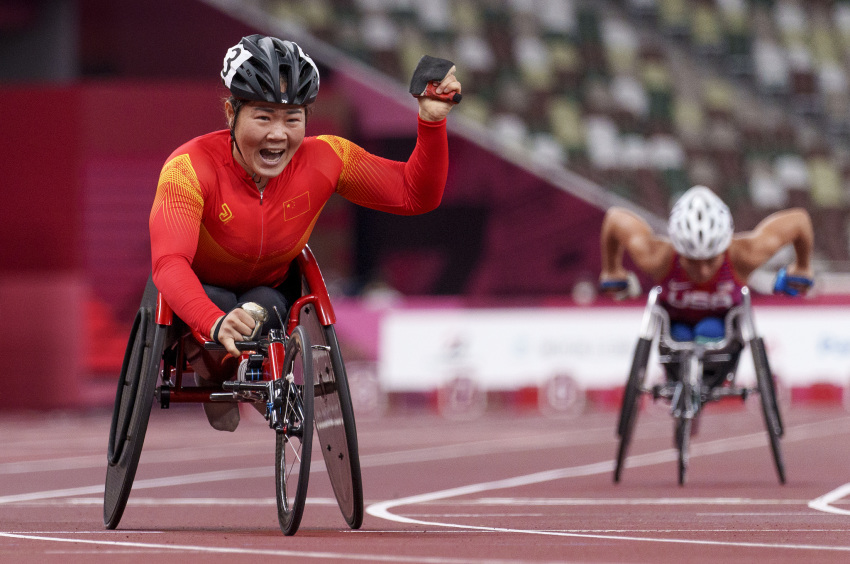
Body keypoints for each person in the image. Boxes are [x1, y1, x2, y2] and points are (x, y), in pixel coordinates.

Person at [149, 34, 461, 430]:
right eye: (263, 117)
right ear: (231, 113)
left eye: (292, 119)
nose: (278, 134)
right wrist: (213, 320)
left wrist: (431, 122)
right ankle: (213, 367)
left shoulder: (329, 157)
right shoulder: (188, 169)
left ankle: (242, 367)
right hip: (203, 293)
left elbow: (414, 195)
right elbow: (168, 263)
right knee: (222, 301)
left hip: (271, 294)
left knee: (264, 304)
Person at [599, 185, 814, 343]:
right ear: (678, 248)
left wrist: (803, 266)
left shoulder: (744, 254)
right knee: (680, 336)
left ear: (724, 247)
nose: (702, 270)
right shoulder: (657, 257)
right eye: (691, 261)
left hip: (724, 326)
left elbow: (799, 221)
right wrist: (611, 270)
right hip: (674, 326)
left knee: (709, 331)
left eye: (711, 260)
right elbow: (614, 219)